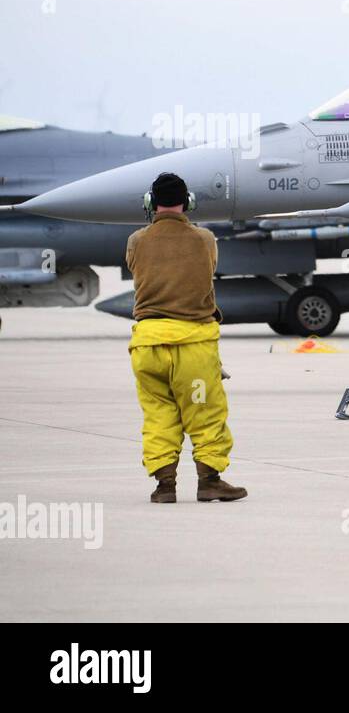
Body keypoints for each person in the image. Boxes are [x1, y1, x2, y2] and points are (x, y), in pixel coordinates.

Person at [127, 173, 247, 504]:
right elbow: (206, 269)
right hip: (191, 345)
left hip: (147, 346)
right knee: (204, 411)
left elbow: (136, 266)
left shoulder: (136, 240)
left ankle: (165, 487)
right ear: (188, 202)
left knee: (158, 414)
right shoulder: (204, 239)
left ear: (150, 203)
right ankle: (209, 482)